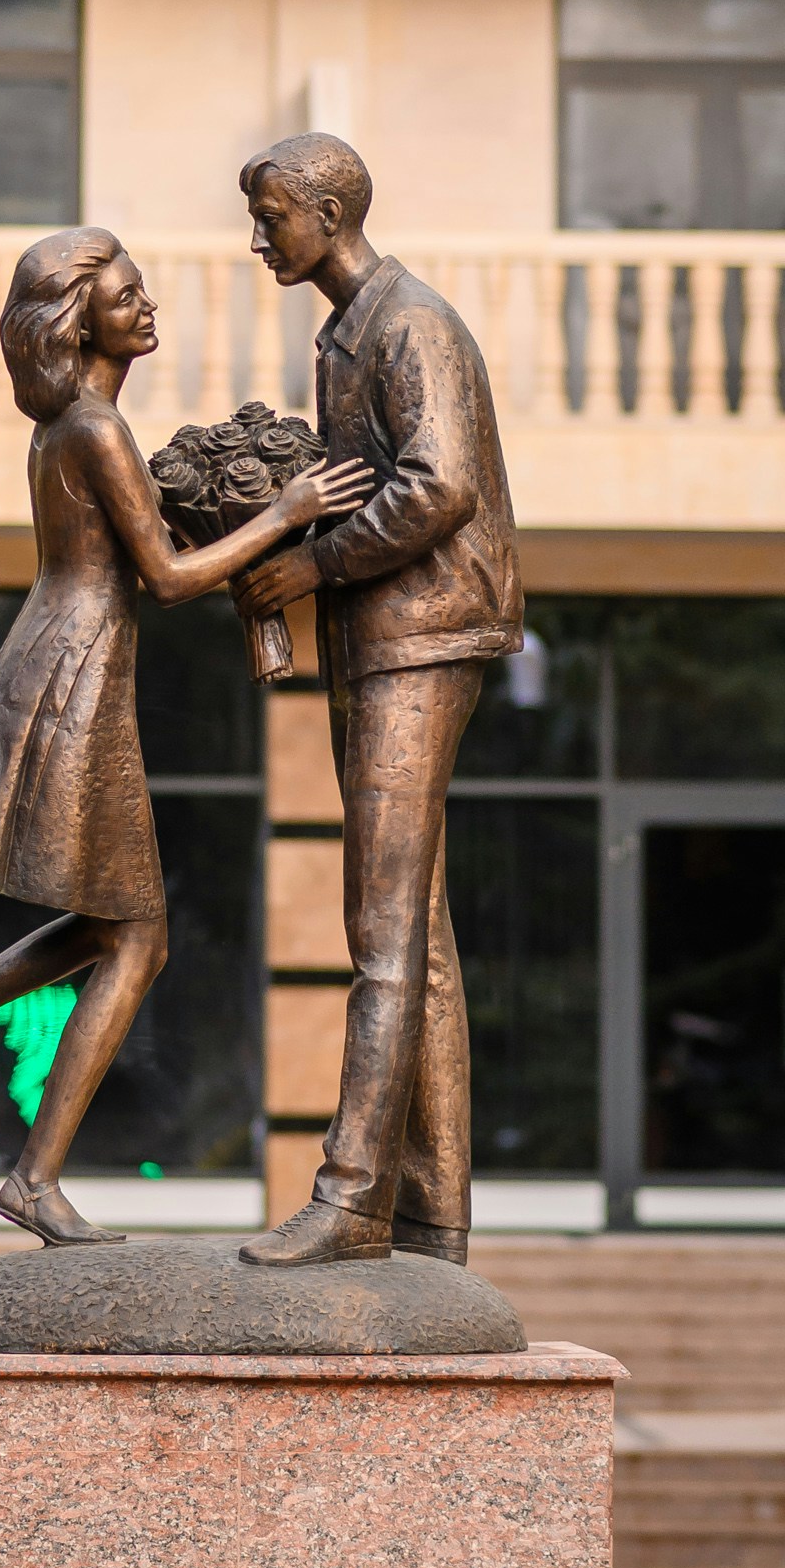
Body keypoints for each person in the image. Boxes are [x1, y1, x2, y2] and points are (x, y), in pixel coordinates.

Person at [0, 224, 368, 1248]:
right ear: (77, 318)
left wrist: (231, 507)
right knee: (138, 936)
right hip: (74, 676)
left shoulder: (81, 427)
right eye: (127, 293)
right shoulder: (90, 428)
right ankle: (31, 1175)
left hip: (69, 661)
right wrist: (289, 508)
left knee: (112, 928)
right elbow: (168, 581)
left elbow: (158, 547)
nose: (147, 305)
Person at [233, 135, 523, 1270]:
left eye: (270, 215)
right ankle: (432, 1215)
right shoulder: (346, 329)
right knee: (420, 932)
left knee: (383, 922)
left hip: (422, 634)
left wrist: (313, 565)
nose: (259, 236)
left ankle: (353, 1194)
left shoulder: (408, 321)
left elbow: (441, 482)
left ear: (328, 208)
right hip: (383, 637)